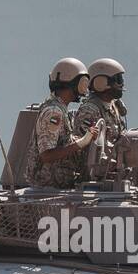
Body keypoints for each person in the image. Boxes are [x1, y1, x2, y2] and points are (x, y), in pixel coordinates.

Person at [22, 57, 102, 188]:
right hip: (48, 188)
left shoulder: (61, 110)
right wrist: (82, 142)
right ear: (75, 83)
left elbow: (63, 142)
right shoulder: (54, 112)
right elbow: (46, 155)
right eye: (84, 82)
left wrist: (85, 138)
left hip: (57, 185)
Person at [74, 57, 129, 145]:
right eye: (118, 80)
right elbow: (83, 148)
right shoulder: (89, 110)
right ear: (101, 82)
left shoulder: (113, 106)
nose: (122, 84)